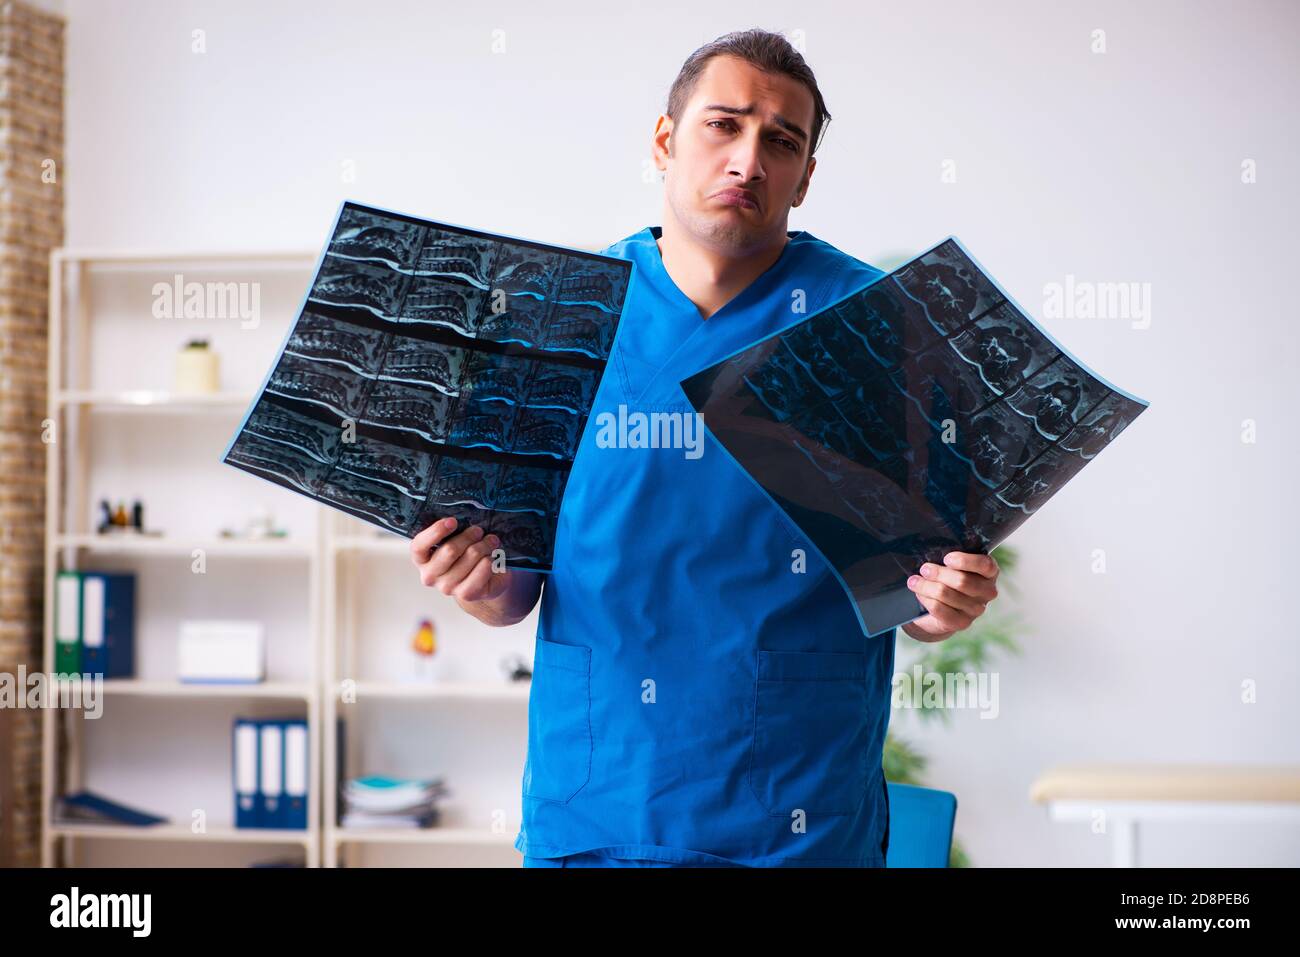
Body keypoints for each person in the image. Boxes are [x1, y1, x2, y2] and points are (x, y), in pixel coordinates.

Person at [409, 28, 1000, 867]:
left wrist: (945, 602)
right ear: (665, 140)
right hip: (600, 806)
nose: (748, 160)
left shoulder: (873, 329)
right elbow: (512, 594)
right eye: (724, 125)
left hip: (801, 815)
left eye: (781, 141)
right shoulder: (560, 323)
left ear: (804, 176)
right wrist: (474, 578)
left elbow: (920, 590)